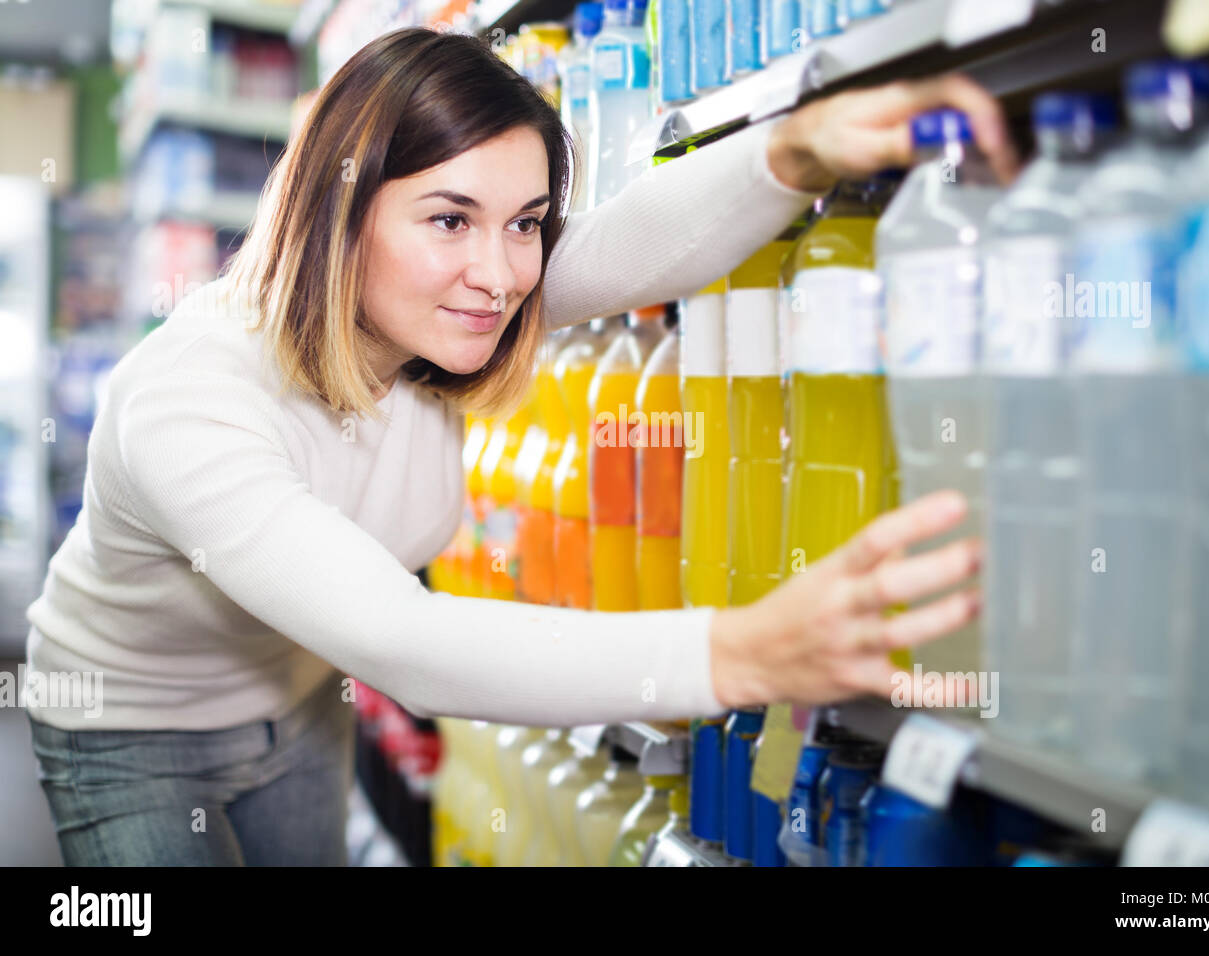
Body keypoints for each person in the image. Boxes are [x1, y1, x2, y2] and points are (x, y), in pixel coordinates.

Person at [24, 28, 1018, 865]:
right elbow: (404, 643)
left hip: (296, 701)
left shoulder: (430, 317)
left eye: (526, 222)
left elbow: (635, 244)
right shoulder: (191, 396)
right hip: (131, 726)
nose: (498, 275)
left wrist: (797, 148)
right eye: (449, 217)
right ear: (341, 208)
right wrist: (741, 650)